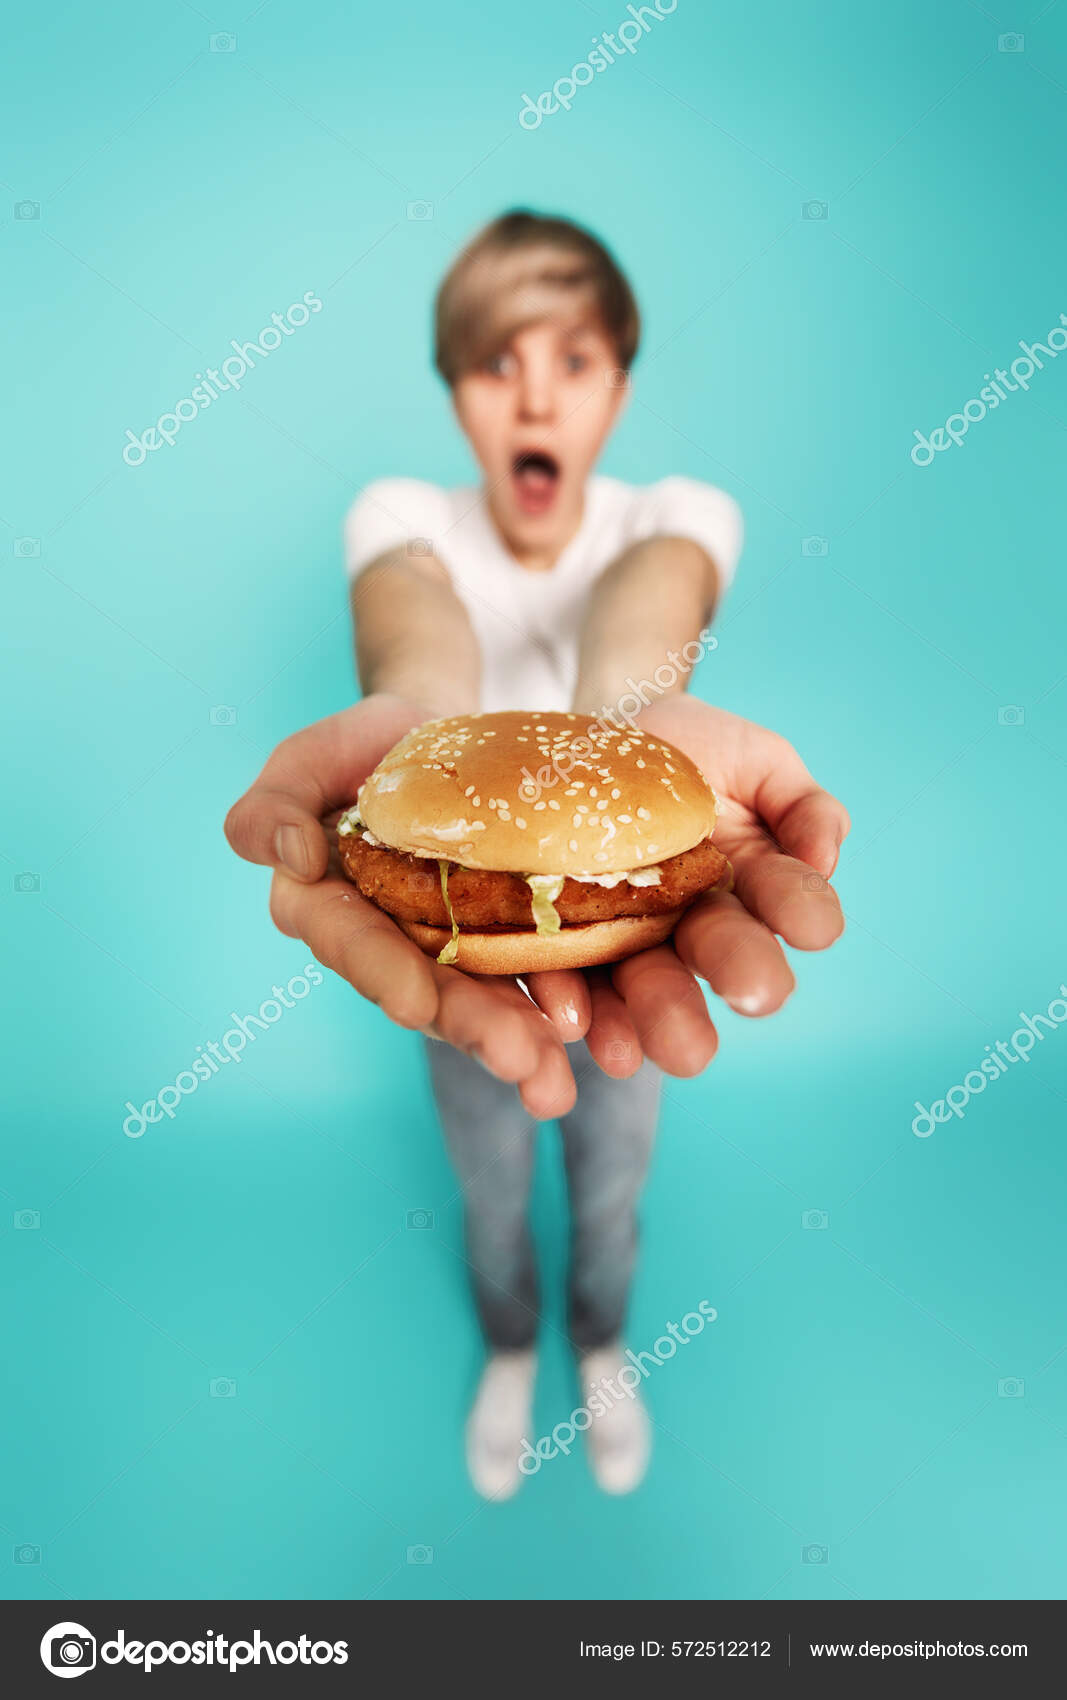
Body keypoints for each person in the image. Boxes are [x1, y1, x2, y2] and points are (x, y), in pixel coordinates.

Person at [225, 210, 849, 1500]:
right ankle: (510, 1345)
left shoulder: (675, 513)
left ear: (620, 386)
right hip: (455, 952)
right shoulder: (404, 515)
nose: (536, 397)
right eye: (497, 362)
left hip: (631, 955)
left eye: (574, 361)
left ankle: (603, 1342)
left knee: (612, 1179)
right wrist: (419, 717)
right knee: (490, 1181)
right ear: (455, 389)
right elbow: (416, 632)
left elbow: (649, 602)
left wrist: (626, 717)